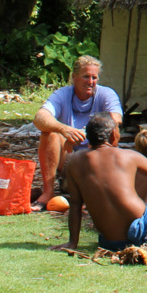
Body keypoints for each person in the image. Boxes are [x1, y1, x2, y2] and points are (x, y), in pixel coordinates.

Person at [51, 113, 147, 254]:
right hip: (144, 230)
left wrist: (73, 242)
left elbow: (75, 204)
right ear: (112, 135)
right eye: (118, 130)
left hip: (110, 243)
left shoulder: (74, 161)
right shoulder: (127, 155)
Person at [33, 56, 122, 210]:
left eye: (94, 77)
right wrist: (63, 129)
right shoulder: (62, 94)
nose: (91, 82)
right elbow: (39, 118)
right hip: (70, 159)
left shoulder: (106, 94)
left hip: (95, 157)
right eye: (86, 76)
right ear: (74, 77)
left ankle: (103, 186)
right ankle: (48, 192)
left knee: (114, 129)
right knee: (49, 133)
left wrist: (83, 134)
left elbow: (116, 118)